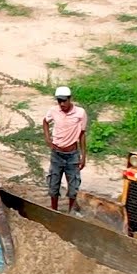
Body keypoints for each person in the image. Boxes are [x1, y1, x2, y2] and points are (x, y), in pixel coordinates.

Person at [42, 85, 88, 215]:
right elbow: (45, 121)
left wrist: (83, 156)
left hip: (72, 155)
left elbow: (82, 135)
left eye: (64, 101)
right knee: (53, 185)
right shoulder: (54, 111)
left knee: (73, 187)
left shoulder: (80, 113)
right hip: (57, 154)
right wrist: (47, 138)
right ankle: (54, 211)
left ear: (70, 99)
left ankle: (71, 212)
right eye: (59, 101)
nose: (62, 104)